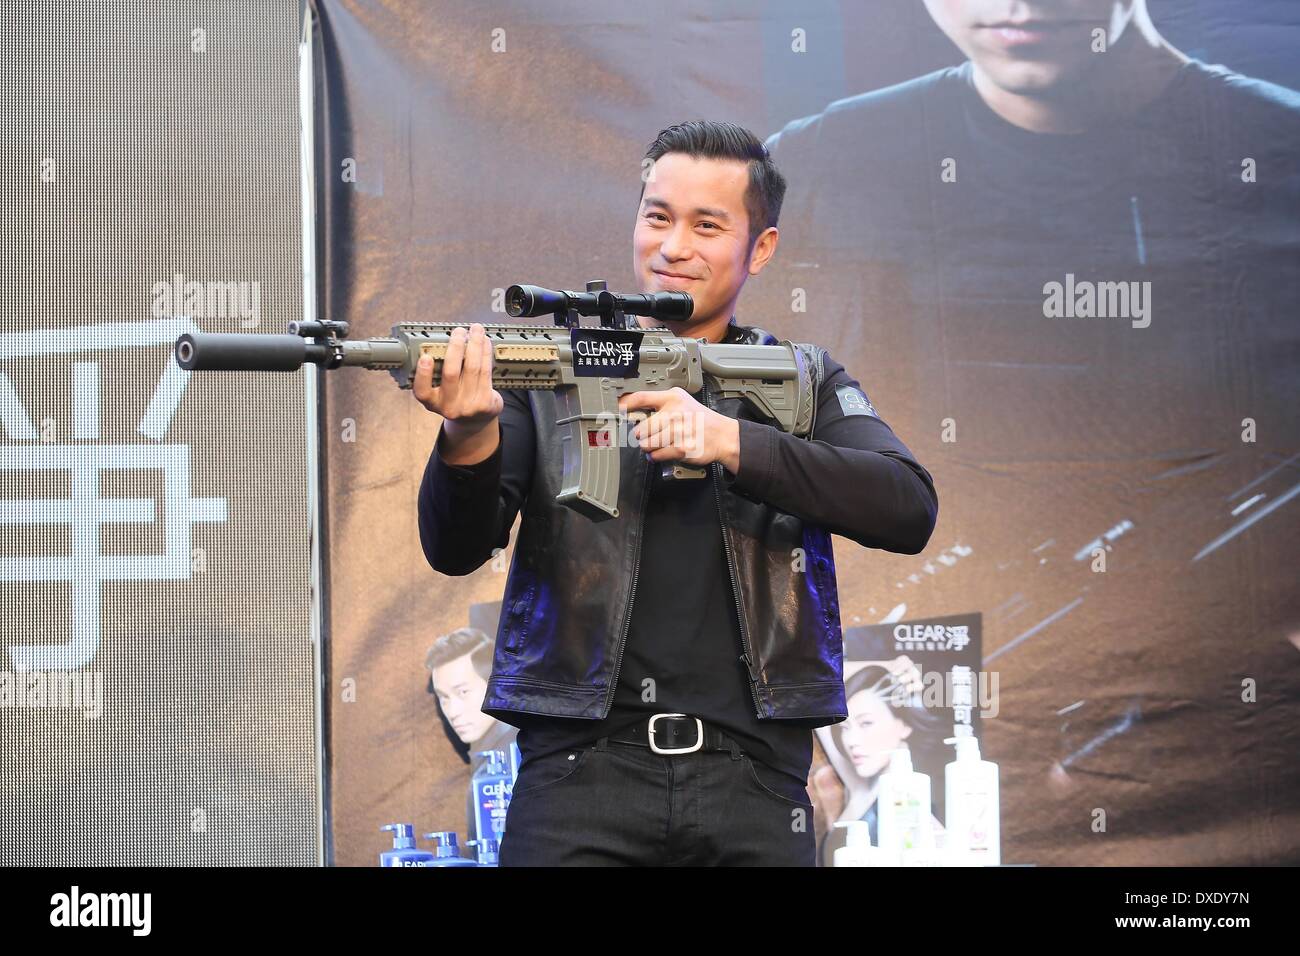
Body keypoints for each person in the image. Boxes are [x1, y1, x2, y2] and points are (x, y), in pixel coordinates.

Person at [415, 121, 939, 866]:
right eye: (657, 216)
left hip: (755, 786)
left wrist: (732, 442)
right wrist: (467, 438)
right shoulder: (551, 374)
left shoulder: (806, 378)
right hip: (576, 781)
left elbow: (907, 505)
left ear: (761, 248)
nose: (673, 246)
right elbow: (454, 548)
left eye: (706, 225)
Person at [425, 627, 519, 844]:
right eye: (444, 697)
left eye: (463, 692)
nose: (453, 711)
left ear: (495, 685)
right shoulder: (491, 753)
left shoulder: (514, 758)